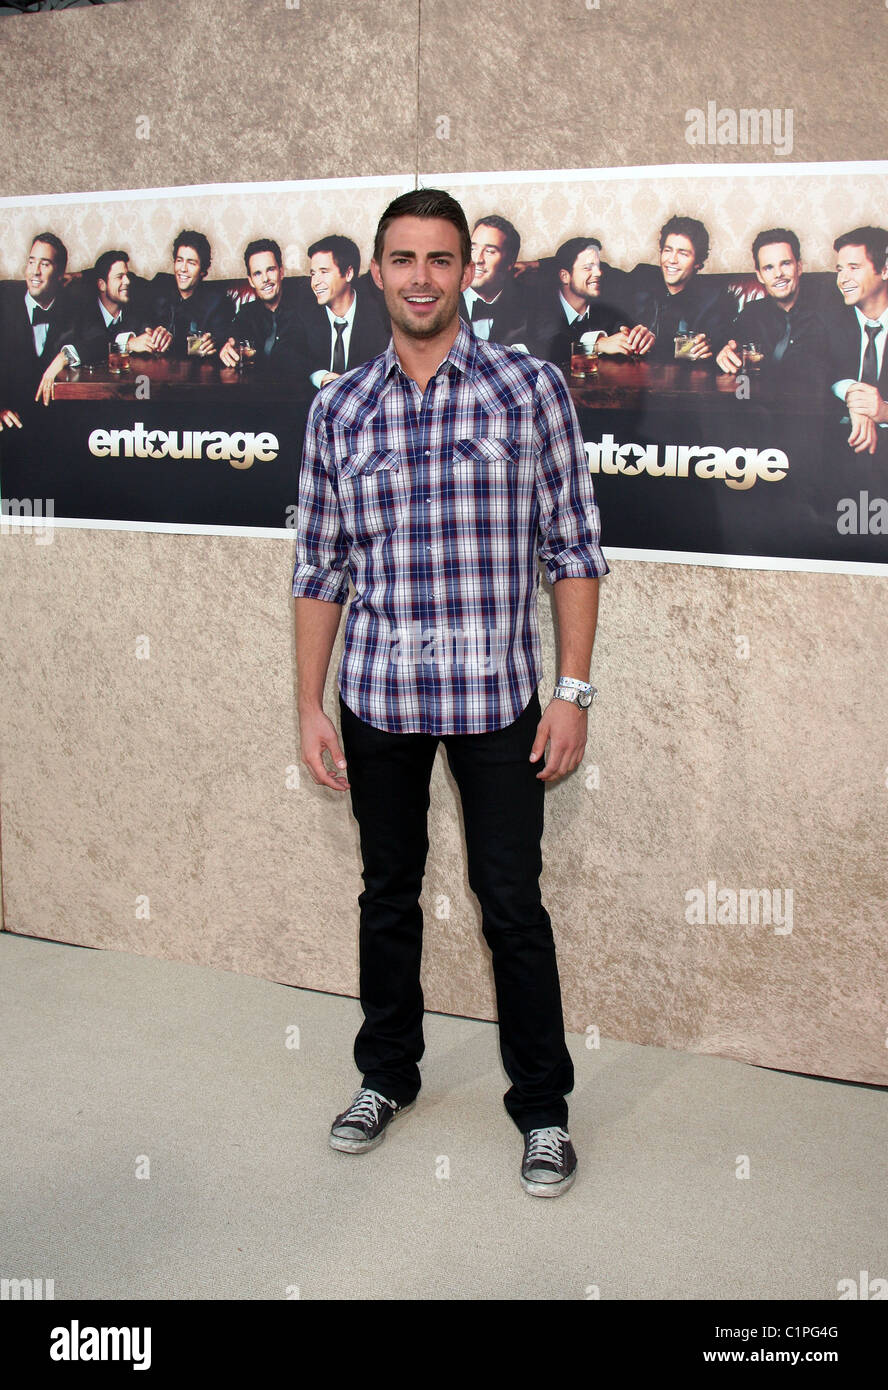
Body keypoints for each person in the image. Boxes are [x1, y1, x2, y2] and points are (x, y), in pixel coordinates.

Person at [292, 187, 607, 1198]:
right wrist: (308, 702)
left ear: (468, 270)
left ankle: (544, 1108)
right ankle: (385, 1076)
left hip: (500, 701)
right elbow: (320, 566)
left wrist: (573, 691)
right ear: (375, 271)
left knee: (509, 901)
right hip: (377, 696)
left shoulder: (530, 388)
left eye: (440, 257)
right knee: (387, 895)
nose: (421, 275)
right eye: (402, 258)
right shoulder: (338, 406)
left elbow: (574, 546)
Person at [715, 229, 827, 383]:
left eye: (785, 264)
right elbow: (731, 351)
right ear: (759, 275)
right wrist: (726, 355)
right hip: (758, 402)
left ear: (799, 267)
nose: (778, 274)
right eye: (768, 267)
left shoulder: (825, 311)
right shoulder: (751, 314)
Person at [527, 236, 653, 366]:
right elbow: (551, 346)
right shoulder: (542, 307)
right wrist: (597, 344)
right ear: (565, 276)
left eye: (598, 266)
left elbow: (622, 329)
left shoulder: (607, 308)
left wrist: (640, 338)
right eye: (588, 267)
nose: (598, 273)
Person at [632, 215, 733, 362]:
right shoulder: (641, 278)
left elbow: (717, 344)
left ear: (698, 263)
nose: (672, 260)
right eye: (667, 250)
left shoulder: (714, 299)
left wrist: (710, 347)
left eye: (683, 253)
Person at [826, 226, 888, 456]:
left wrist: (884, 412)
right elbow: (810, 368)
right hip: (839, 440)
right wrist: (852, 393)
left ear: (884, 269)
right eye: (840, 269)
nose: (843, 279)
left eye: (854, 268)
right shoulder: (830, 316)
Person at [0, 232, 78, 411]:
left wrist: (63, 357)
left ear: (59, 274)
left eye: (44, 264)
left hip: (54, 419)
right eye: (31, 262)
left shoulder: (73, 305)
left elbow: (98, 341)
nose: (35, 271)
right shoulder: (3, 296)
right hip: (7, 419)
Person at [302, 234, 388, 389]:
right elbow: (289, 355)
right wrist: (321, 377)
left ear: (348, 273)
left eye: (324, 271)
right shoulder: (305, 312)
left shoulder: (378, 314)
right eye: (313, 273)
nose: (315, 282)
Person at [219, 239, 309, 375]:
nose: (265, 279)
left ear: (281, 272)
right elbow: (232, 335)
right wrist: (227, 346)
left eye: (270, 270)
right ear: (251, 281)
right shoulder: (247, 312)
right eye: (257, 273)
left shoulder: (303, 307)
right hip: (255, 391)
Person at [149, 230, 232, 357]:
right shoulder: (159, 286)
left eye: (191, 263)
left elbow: (218, 342)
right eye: (179, 260)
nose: (183, 268)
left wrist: (211, 344)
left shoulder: (218, 303)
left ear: (203, 271)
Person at [75, 251, 167, 365]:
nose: (127, 281)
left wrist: (161, 338)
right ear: (101, 285)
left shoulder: (138, 312)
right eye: (119, 277)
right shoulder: (83, 313)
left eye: (127, 276)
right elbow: (90, 346)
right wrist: (128, 344)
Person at [459, 214, 530, 347]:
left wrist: (535, 264)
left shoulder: (530, 306)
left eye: (490, 251)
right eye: (473, 248)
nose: (477, 259)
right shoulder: (443, 300)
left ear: (510, 261)